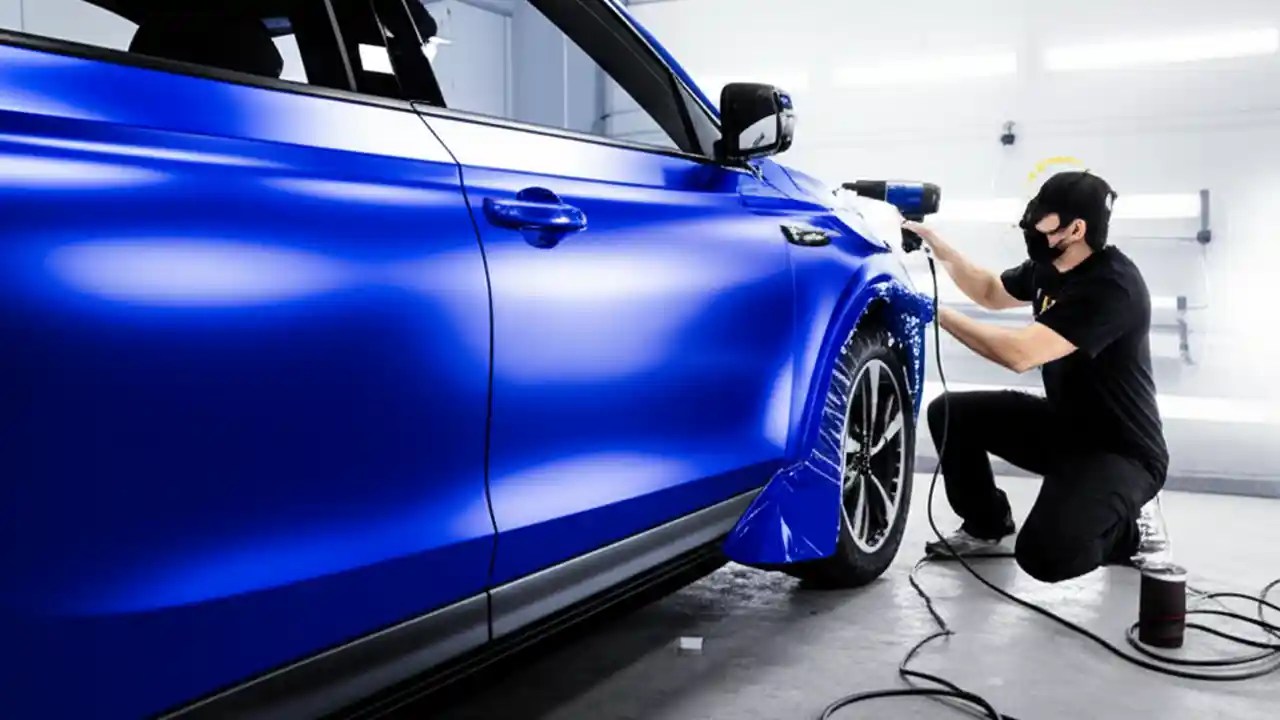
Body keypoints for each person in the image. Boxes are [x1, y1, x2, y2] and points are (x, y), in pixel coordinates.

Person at [902, 170, 1171, 583]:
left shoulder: (1113, 288)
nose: (1032, 226)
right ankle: (987, 526)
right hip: (1066, 427)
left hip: (1121, 450)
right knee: (951, 413)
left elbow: (1019, 354)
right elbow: (991, 292)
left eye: (1044, 220)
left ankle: (1130, 526)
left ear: (1076, 229)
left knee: (1047, 557)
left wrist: (933, 311)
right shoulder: (1050, 265)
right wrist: (940, 248)